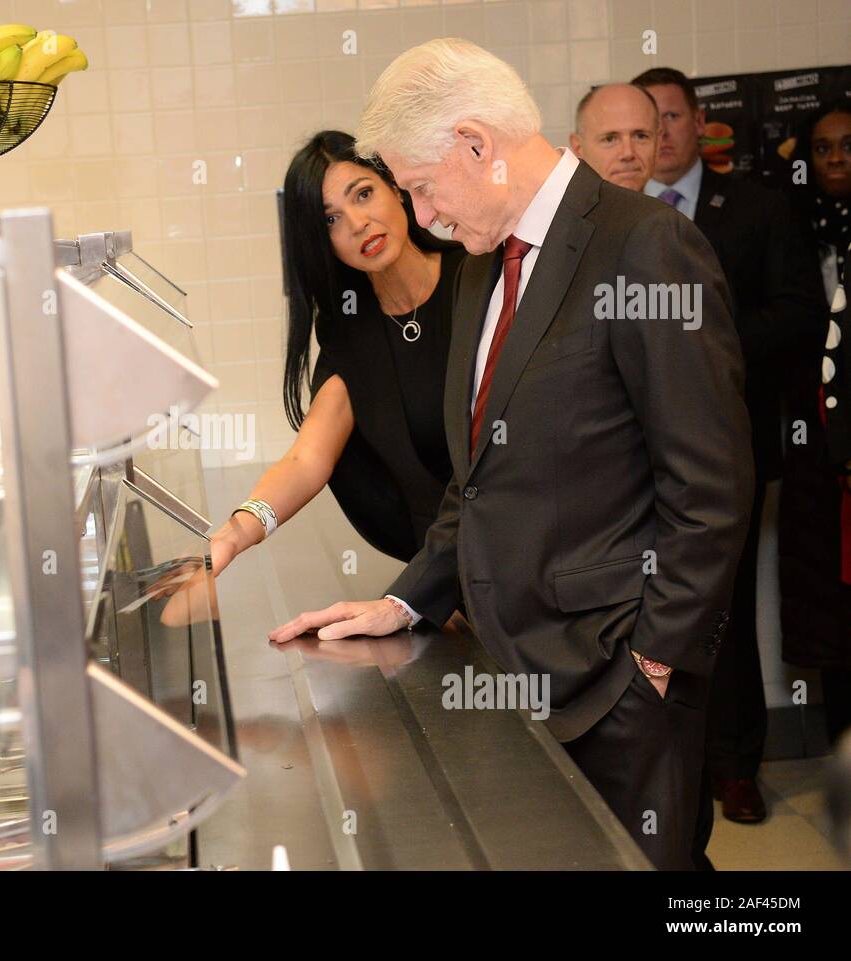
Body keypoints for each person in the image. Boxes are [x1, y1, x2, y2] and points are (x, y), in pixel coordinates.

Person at [270, 39, 754, 871]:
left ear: (475, 144)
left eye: (419, 187)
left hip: (619, 687)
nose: (419, 217)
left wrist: (654, 664)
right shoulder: (478, 267)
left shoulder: (643, 246)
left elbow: (709, 487)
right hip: (517, 678)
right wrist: (406, 602)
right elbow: (478, 480)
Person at [634, 67, 827, 825]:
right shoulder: (609, 219)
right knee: (648, 614)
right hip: (630, 465)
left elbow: (801, 315)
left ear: (698, 123)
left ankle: (735, 765)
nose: (658, 134)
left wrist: (705, 348)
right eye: (642, 123)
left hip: (726, 456)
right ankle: (661, 768)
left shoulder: (755, 208)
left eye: (671, 118)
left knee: (724, 612)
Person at [208, 131, 465, 577]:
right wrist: (237, 531)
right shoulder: (351, 331)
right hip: (446, 578)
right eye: (330, 220)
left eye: (363, 194)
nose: (357, 223)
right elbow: (306, 460)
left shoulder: (482, 279)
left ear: (397, 189)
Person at [777, 100, 851, 751]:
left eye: (847, 145)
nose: (836, 159)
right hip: (818, 443)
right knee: (829, 596)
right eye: (822, 148)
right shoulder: (794, 227)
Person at [569, 83, 660, 192]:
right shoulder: (557, 208)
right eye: (609, 139)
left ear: (658, 143)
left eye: (640, 136)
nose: (628, 153)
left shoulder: (668, 208)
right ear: (578, 148)